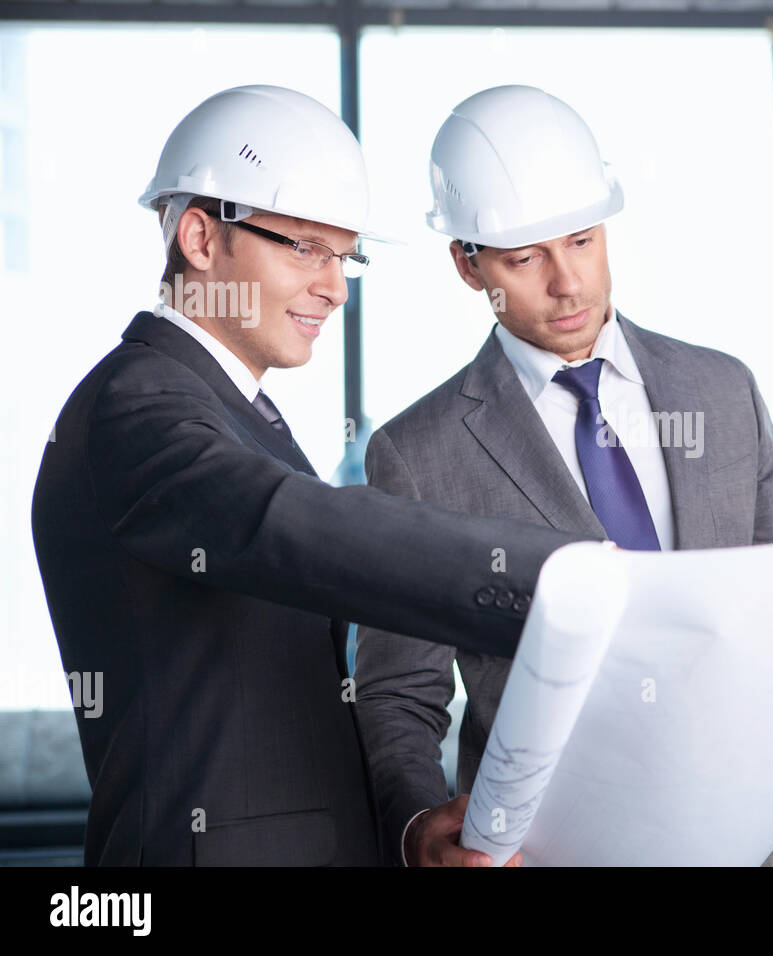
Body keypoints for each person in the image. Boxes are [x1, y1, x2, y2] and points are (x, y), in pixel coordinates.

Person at [353, 85, 773, 868]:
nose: (567, 283)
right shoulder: (421, 453)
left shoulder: (720, 393)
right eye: (524, 259)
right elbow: (396, 694)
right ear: (467, 263)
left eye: (582, 241)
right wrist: (419, 831)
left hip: (739, 843)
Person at [30, 85, 596, 867]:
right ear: (199, 237)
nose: (334, 286)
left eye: (344, 256)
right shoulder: (138, 402)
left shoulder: (239, 418)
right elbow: (292, 526)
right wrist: (566, 579)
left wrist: (406, 833)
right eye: (304, 247)